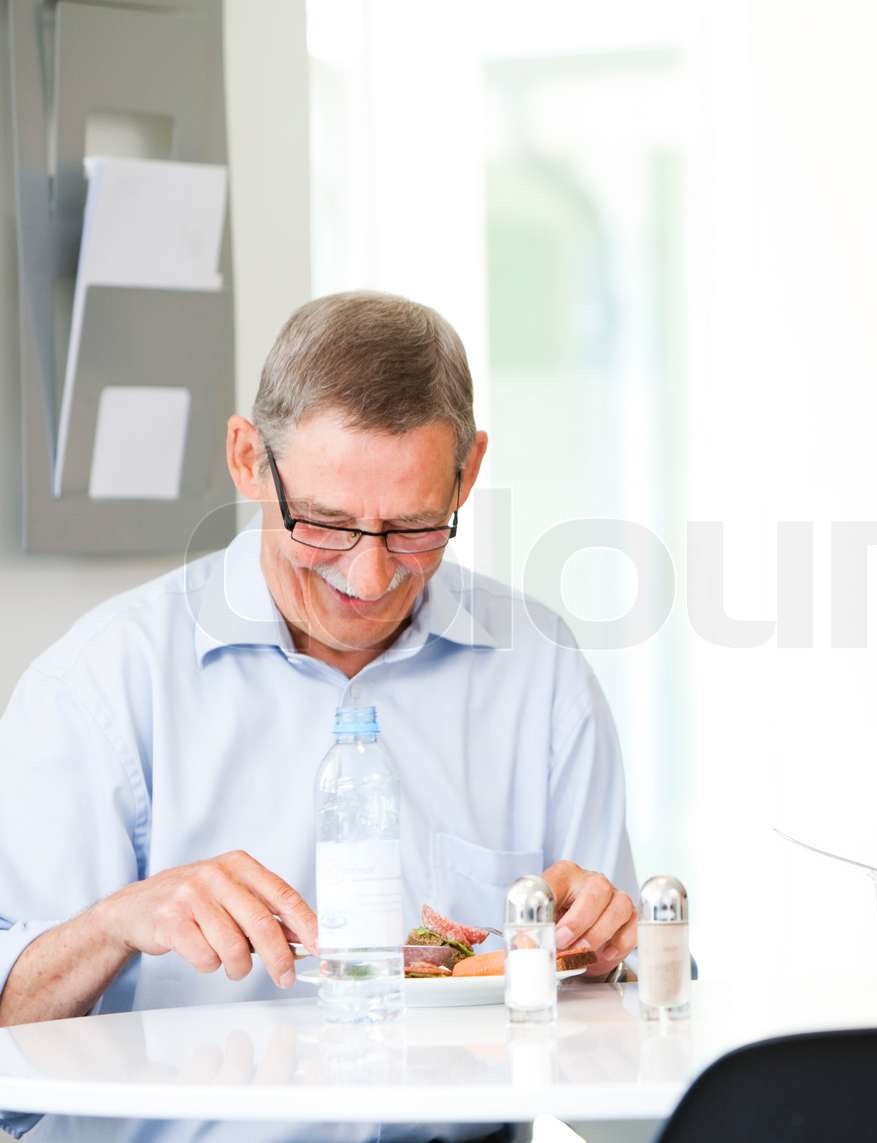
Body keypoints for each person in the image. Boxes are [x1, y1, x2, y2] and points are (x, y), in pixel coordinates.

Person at [0, 292, 638, 1142]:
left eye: (413, 528)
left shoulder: (541, 674)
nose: (369, 580)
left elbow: (623, 1052)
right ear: (246, 460)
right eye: (327, 525)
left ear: (469, 472)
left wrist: (603, 952)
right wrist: (115, 922)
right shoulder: (101, 683)